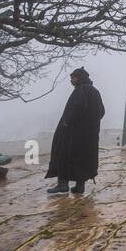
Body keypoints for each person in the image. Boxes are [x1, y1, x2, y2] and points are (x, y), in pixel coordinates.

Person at [46, 67, 105, 195]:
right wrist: (90, 124)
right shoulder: (95, 91)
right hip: (89, 136)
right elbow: (101, 112)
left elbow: (78, 108)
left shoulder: (81, 91)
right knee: (83, 159)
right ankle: (80, 186)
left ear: (78, 78)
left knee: (64, 155)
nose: (71, 80)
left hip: (73, 134)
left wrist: (67, 122)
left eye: (72, 78)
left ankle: (63, 184)